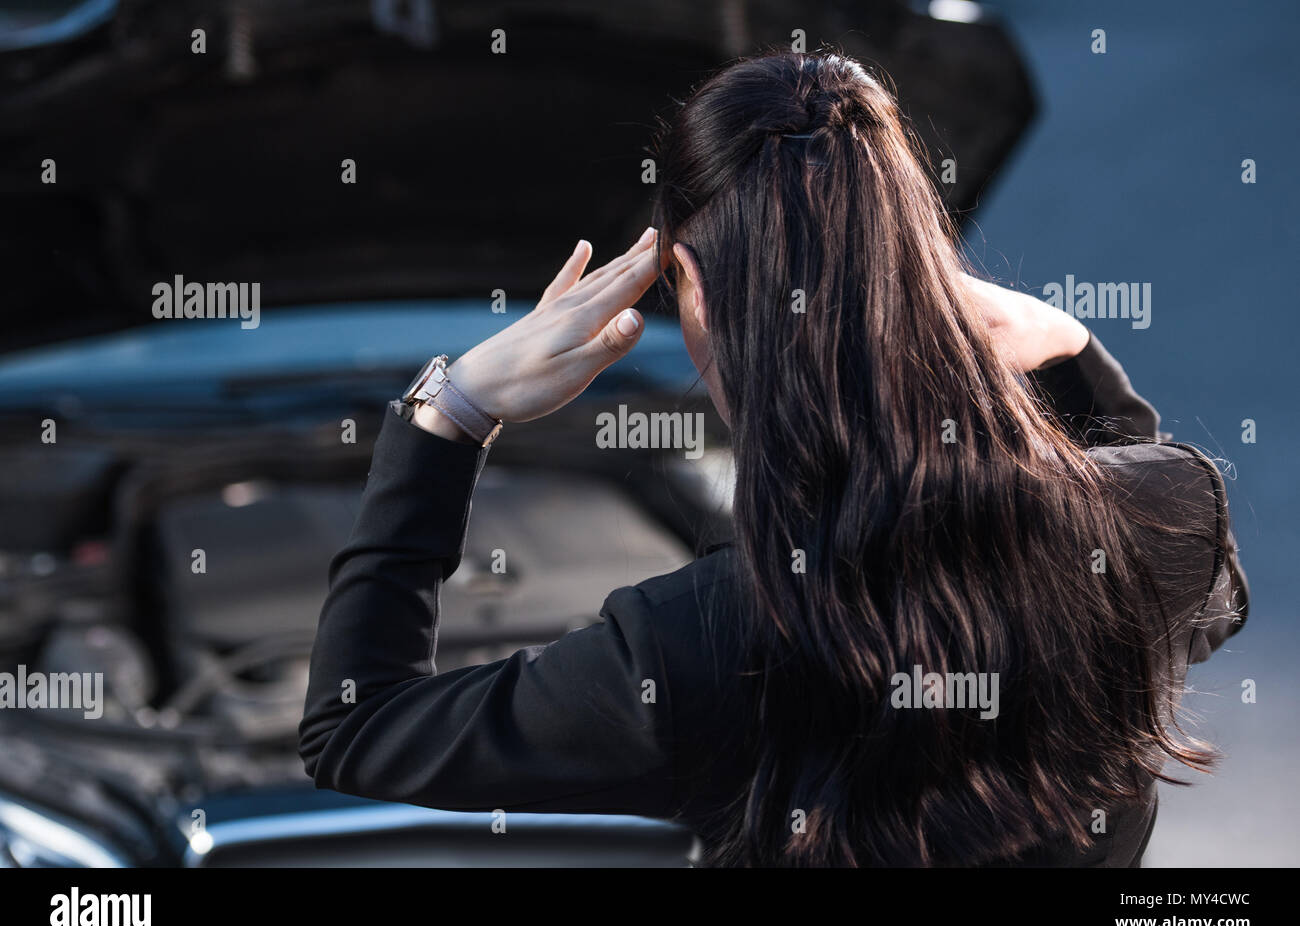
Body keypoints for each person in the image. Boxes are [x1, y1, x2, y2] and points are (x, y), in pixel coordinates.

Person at [298, 52, 1248, 867]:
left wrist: (449, 414)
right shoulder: (1170, 521)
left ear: (696, 288)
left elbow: (357, 727)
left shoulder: (684, 648)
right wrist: (1072, 346)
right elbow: (1172, 539)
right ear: (926, 270)